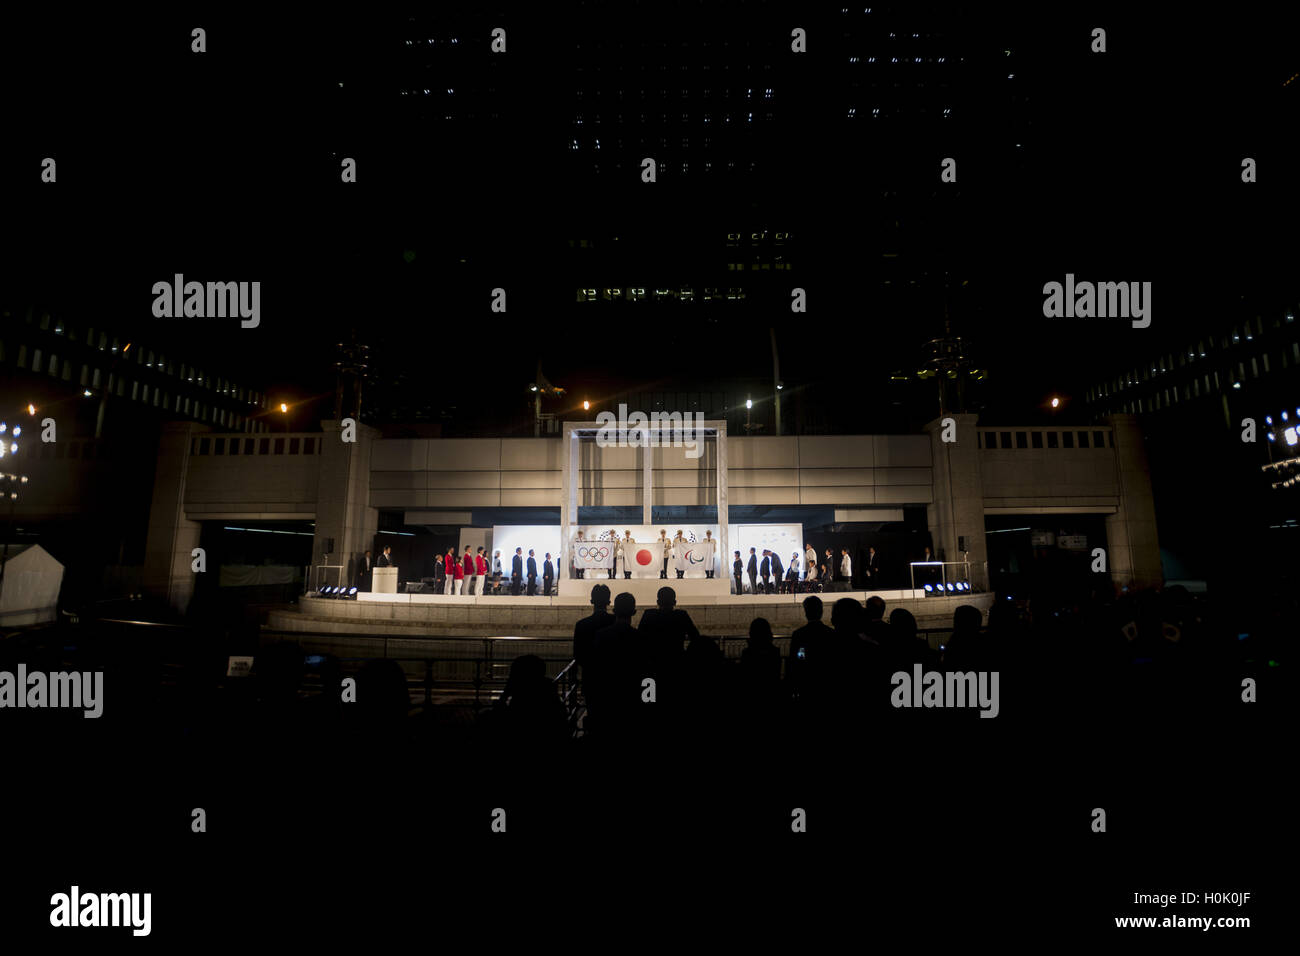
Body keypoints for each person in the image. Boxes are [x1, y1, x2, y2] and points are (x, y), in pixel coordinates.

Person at [573, 583, 613, 673]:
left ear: (592, 601)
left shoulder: (581, 625)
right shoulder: (614, 622)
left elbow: (578, 655)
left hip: (590, 674)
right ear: (609, 602)